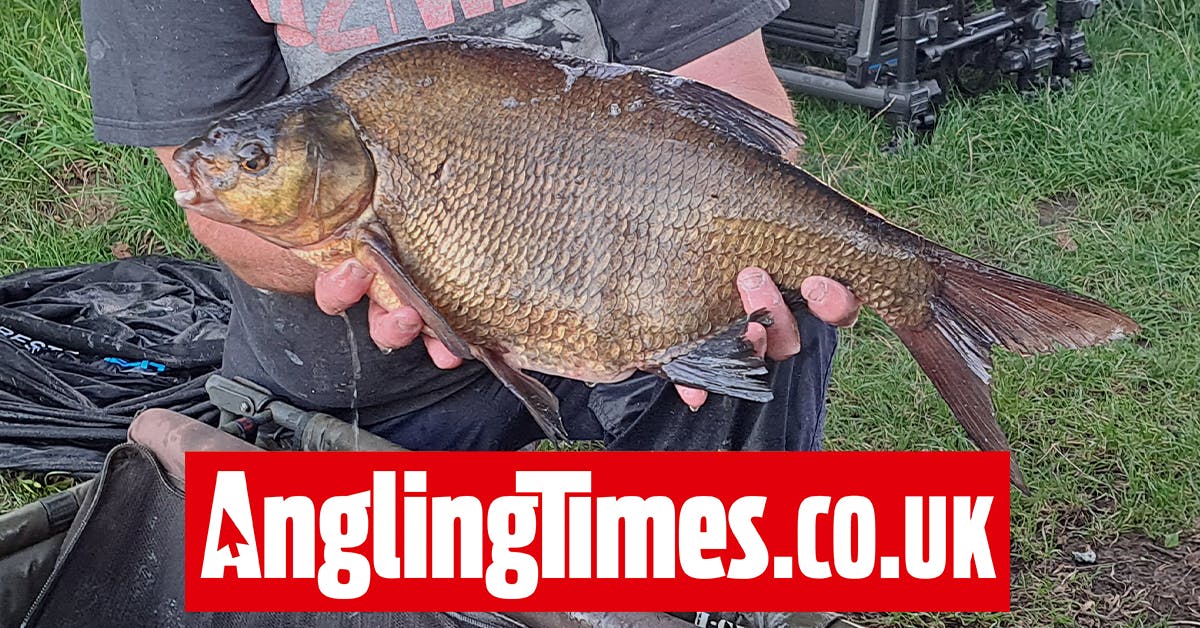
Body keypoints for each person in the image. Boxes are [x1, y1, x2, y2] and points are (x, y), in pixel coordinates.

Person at [80, 0, 861, 453]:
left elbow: (733, 98)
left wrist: (709, 259)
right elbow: (222, 209)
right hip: (365, 377)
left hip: (637, 294)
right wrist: (384, 267)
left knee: (781, 305)